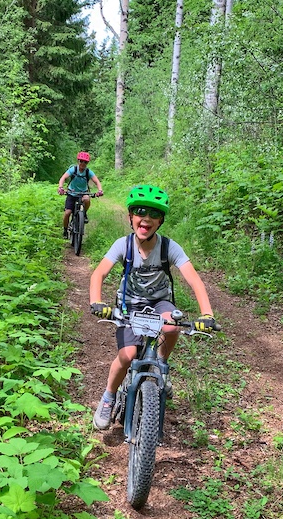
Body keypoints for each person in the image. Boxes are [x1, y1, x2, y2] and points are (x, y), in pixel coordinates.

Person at [88, 184, 217, 430]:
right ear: (131, 217)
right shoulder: (123, 245)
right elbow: (99, 273)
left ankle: (160, 365)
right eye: (140, 212)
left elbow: (194, 280)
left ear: (161, 221)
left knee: (171, 328)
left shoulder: (169, 247)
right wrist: (97, 301)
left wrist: (207, 313)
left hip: (160, 302)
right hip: (129, 304)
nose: (146, 219)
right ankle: (108, 396)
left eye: (154, 215)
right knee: (127, 355)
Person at [57, 151, 103, 238]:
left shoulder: (88, 172)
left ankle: (84, 214)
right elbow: (63, 178)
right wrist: (60, 187)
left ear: (87, 163)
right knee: (67, 213)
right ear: (78, 161)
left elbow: (96, 181)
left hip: (83, 193)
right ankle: (65, 230)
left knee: (87, 199)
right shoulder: (73, 170)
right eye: (81, 161)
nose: (83, 163)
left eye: (85, 162)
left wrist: (100, 190)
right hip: (72, 193)